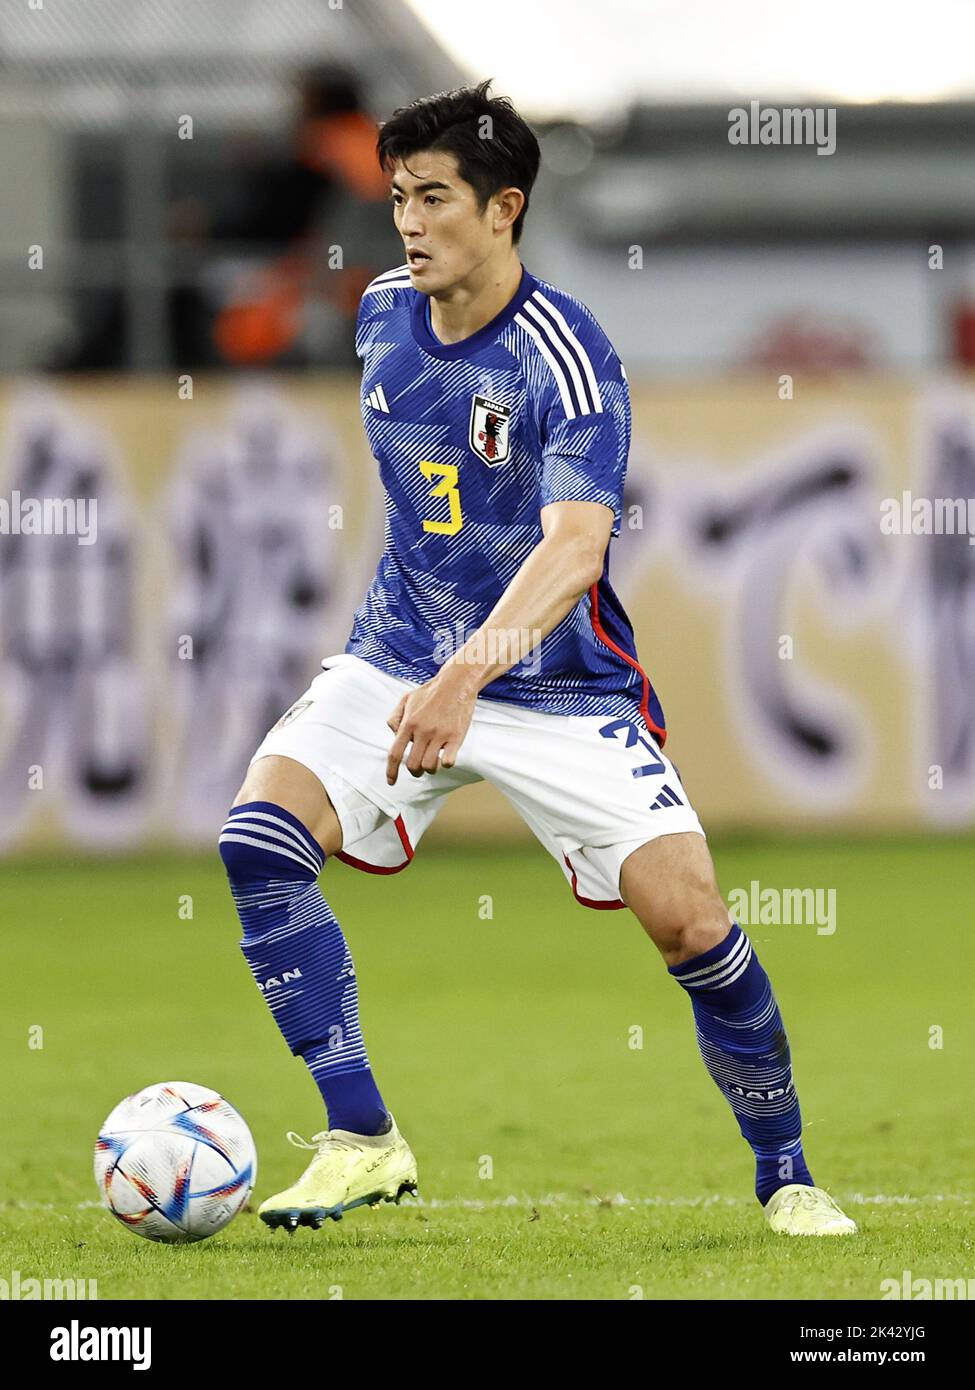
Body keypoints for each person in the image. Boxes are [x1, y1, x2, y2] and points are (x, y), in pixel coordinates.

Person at [218, 80, 857, 1238]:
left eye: (435, 199)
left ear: (504, 207)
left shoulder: (567, 358)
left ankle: (789, 1173)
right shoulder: (378, 313)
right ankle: (362, 1137)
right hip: (398, 656)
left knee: (693, 924)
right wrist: (426, 662)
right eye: (398, 197)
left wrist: (470, 675)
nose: (409, 223)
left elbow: (574, 549)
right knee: (258, 841)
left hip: (557, 686)